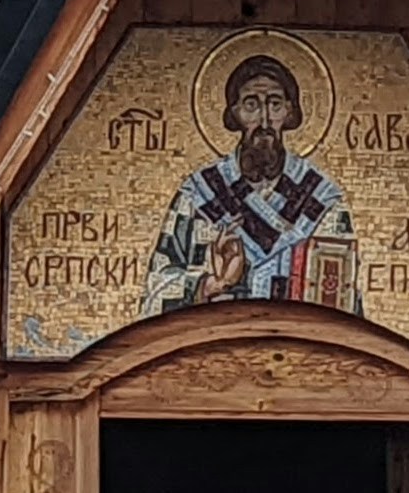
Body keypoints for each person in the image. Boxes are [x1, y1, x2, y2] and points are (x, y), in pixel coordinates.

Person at [146, 54, 359, 314]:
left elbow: (346, 307)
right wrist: (213, 284)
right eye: (251, 105)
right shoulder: (199, 195)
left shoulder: (322, 200)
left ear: (290, 112)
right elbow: (155, 292)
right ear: (233, 113)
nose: (265, 121)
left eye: (275, 104)